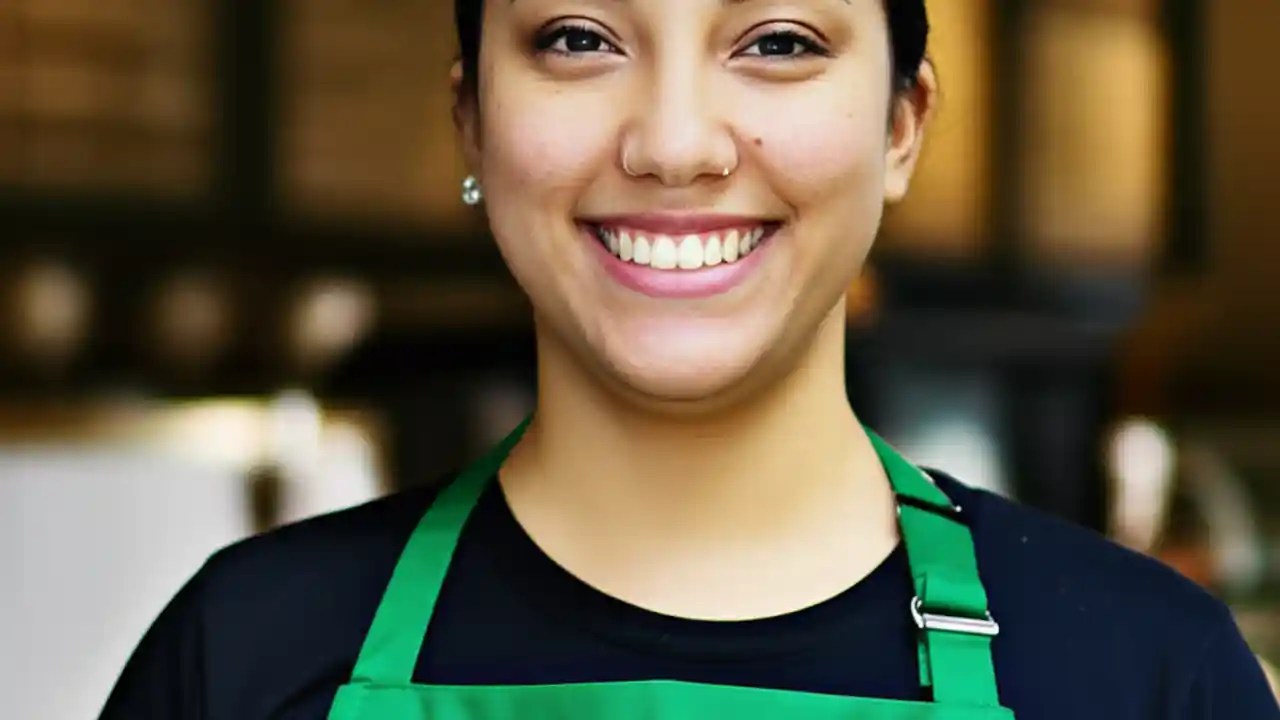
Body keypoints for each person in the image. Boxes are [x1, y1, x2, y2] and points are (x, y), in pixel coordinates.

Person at [100, 1, 1279, 718]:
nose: (672, 144)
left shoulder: (1147, 679)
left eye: (774, 41)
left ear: (900, 126)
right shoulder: (241, 661)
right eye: (576, 38)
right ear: (471, 122)